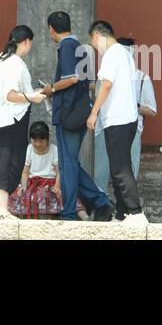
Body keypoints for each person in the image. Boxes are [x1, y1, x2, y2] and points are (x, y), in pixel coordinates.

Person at [45, 12, 112, 222]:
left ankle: (70, 212)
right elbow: (90, 83)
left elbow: (72, 78)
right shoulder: (81, 47)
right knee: (70, 163)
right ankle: (100, 202)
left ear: (51, 29)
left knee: (68, 164)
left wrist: (50, 88)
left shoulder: (66, 46)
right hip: (80, 112)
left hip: (68, 112)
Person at [86, 21, 147, 225]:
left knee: (120, 169)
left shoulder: (112, 53)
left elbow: (106, 85)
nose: (96, 48)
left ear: (97, 36)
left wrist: (94, 112)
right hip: (127, 119)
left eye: (94, 44)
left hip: (117, 119)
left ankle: (136, 213)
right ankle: (122, 214)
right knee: (118, 167)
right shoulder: (124, 54)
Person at [0, 24, 45, 219]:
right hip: (11, 120)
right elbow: (10, 95)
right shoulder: (13, 63)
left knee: (7, 162)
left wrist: (31, 94)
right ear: (26, 41)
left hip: (3, 119)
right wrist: (31, 97)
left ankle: (1, 208)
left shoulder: (3, 60)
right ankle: (2, 210)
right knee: (8, 162)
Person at [92, 37, 157, 191]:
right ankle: (101, 202)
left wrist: (134, 105)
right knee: (100, 173)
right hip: (104, 127)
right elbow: (98, 98)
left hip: (131, 129)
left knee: (129, 173)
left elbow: (152, 110)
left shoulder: (142, 78)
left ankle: (127, 204)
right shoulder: (104, 76)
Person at [10, 121, 63, 219]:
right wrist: (24, 186)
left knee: (43, 196)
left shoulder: (54, 149)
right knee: (16, 195)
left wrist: (57, 186)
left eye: (41, 141)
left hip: (49, 182)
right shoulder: (29, 148)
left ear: (48, 138)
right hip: (32, 182)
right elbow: (25, 171)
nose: (37, 144)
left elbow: (59, 172)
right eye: (34, 141)